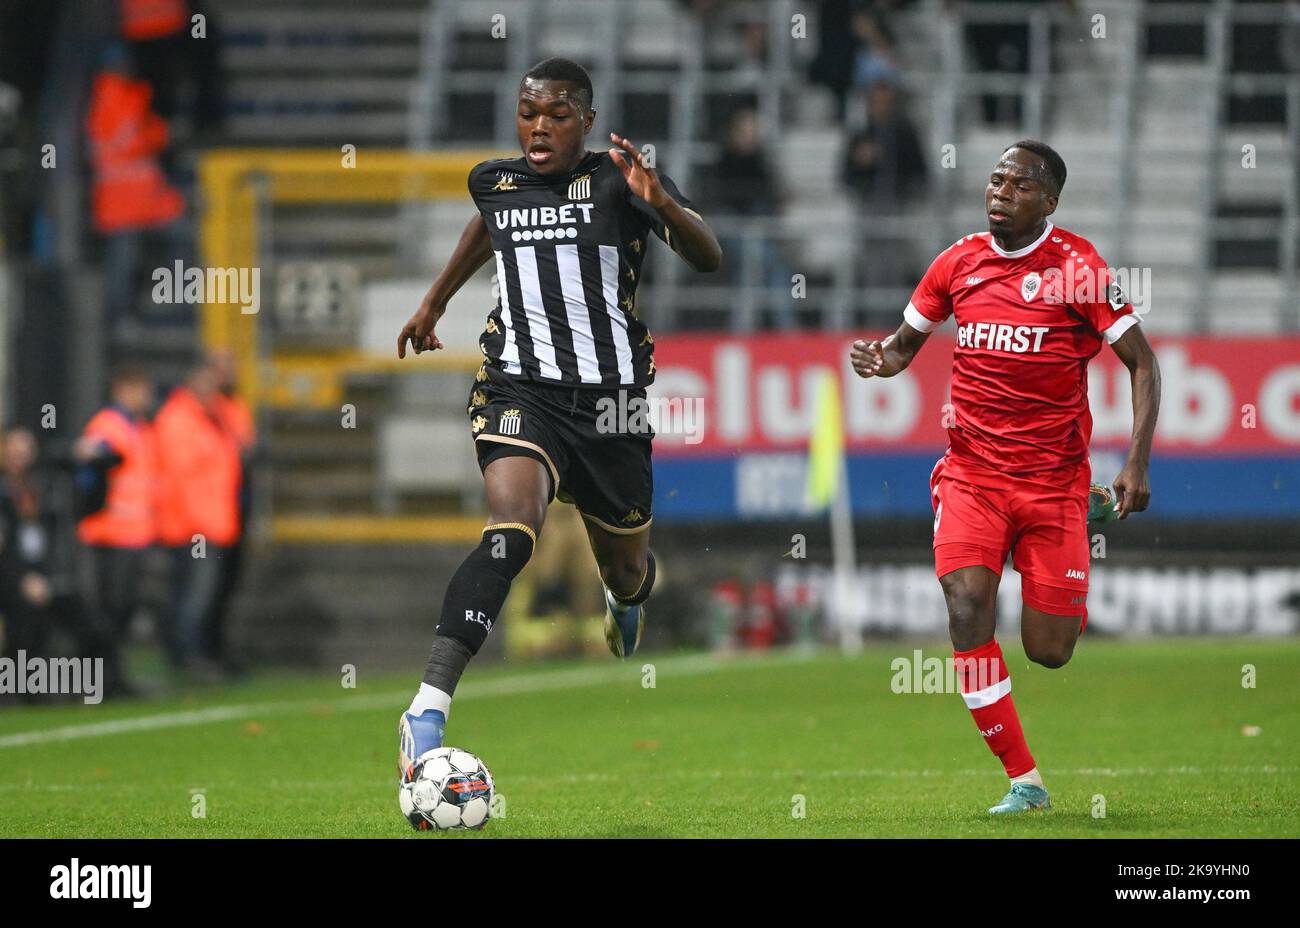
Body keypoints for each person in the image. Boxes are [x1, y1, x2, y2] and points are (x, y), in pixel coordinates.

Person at [394, 57, 721, 782]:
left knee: (630, 570)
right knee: (513, 533)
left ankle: (622, 597)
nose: (540, 126)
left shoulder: (622, 178)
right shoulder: (493, 180)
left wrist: (661, 202)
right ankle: (427, 708)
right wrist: (436, 300)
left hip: (612, 405)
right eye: (529, 112)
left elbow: (709, 255)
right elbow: (490, 227)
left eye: (559, 114)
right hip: (521, 388)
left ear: (588, 121)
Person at [850, 141, 1161, 814]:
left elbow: (1143, 363)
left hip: (1053, 483)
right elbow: (903, 347)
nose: (1001, 191)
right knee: (966, 607)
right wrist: (879, 360)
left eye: (1019, 185)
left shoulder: (1078, 269)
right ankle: (1024, 779)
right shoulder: (957, 262)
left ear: (1048, 201)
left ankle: (1090, 509)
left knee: (1050, 651)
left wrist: (1136, 459)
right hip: (972, 475)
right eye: (995, 180)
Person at [154, 360, 242, 675]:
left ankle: (195, 654)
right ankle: (186, 656)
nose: (211, 391)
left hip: (214, 523)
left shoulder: (212, 417)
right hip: (195, 526)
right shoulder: (179, 420)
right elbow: (180, 478)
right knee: (194, 595)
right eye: (205, 385)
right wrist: (201, 525)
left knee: (202, 594)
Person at [75, 367, 159, 697]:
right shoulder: (109, 424)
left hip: (132, 532)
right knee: (109, 610)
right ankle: (99, 679)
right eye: (140, 388)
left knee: (121, 609)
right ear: (122, 388)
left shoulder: (138, 427)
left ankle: (110, 676)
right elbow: (92, 459)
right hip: (110, 532)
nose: (146, 396)